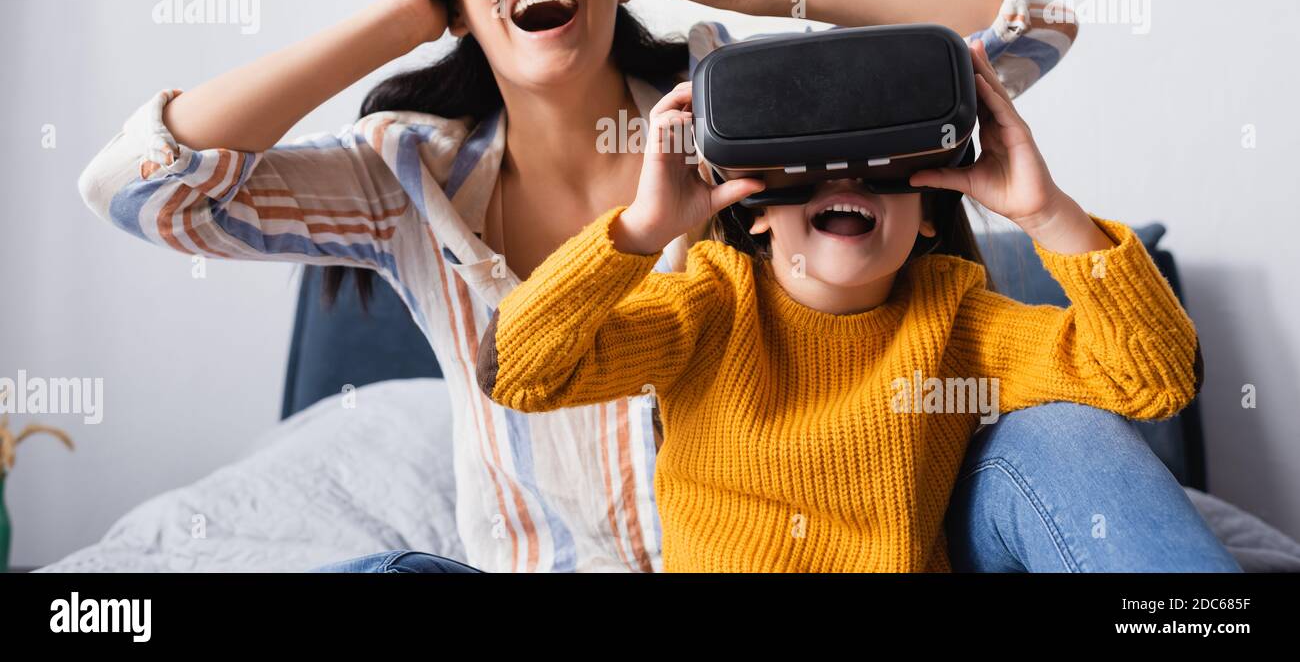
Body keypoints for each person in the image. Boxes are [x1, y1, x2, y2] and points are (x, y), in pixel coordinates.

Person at [80, 0, 1230, 572]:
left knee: (1067, 433)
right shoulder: (404, 174)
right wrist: (392, 24)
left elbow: (1023, 35)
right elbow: (149, 189)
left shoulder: (745, 108)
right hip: (549, 569)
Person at [478, 43, 1240, 572]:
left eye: (878, 167)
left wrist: (1046, 212)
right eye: (805, 168)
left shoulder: (957, 322)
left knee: (1068, 429)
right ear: (757, 213)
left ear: (932, 213)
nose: (842, 180)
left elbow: (1157, 377)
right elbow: (520, 370)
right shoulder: (710, 304)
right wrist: (640, 231)